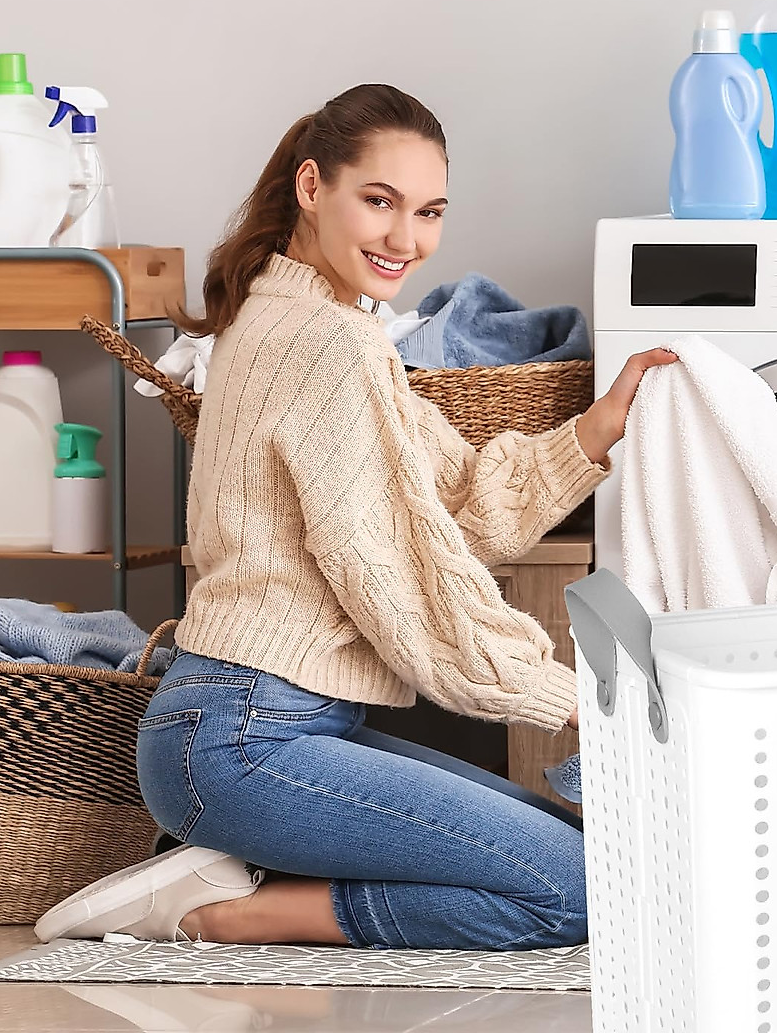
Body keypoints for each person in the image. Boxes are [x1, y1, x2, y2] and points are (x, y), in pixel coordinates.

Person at [35, 83, 675, 951]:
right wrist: (576, 699)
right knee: (578, 891)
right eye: (379, 202)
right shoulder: (324, 343)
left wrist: (590, 435)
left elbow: (443, 515)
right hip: (243, 742)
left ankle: (241, 869)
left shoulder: (317, 325)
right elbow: (401, 581)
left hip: (245, 732)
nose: (405, 239)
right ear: (311, 188)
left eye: (429, 212)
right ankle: (220, 915)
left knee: (579, 858)